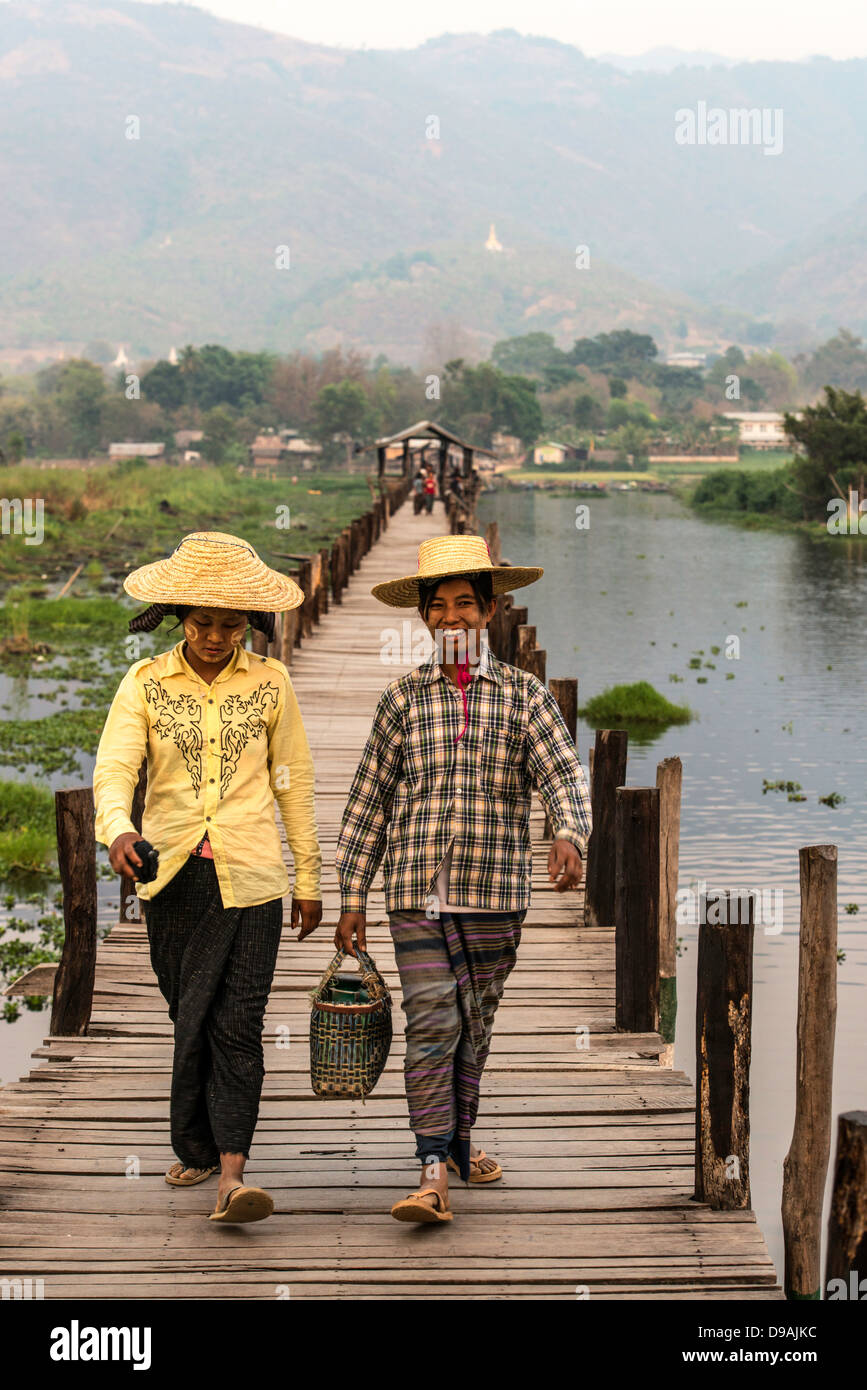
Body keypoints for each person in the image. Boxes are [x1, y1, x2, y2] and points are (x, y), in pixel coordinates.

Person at [334, 534, 592, 1223]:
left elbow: (563, 774)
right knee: (430, 1021)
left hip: (495, 893)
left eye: (464, 607)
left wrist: (568, 832)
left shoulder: (522, 696)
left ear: (489, 613)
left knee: (472, 1027)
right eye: (438, 608)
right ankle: (430, 1170)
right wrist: (351, 893)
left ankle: (458, 1143)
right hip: (414, 890)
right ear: (424, 618)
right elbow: (368, 802)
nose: (451, 619)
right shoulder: (401, 699)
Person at [93, 531, 322, 1224]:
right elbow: (116, 770)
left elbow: (294, 784)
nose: (217, 636)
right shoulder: (145, 684)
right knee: (188, 1012)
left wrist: (307, 877)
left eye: (230, 624)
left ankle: (231, 1173)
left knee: (239, 1024)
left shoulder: (271, 683)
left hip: (253, 879)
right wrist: (117, 829)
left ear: (250, 623)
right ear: (178, 616)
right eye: (203, 622)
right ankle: (194, 1145)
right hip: (170, 878)